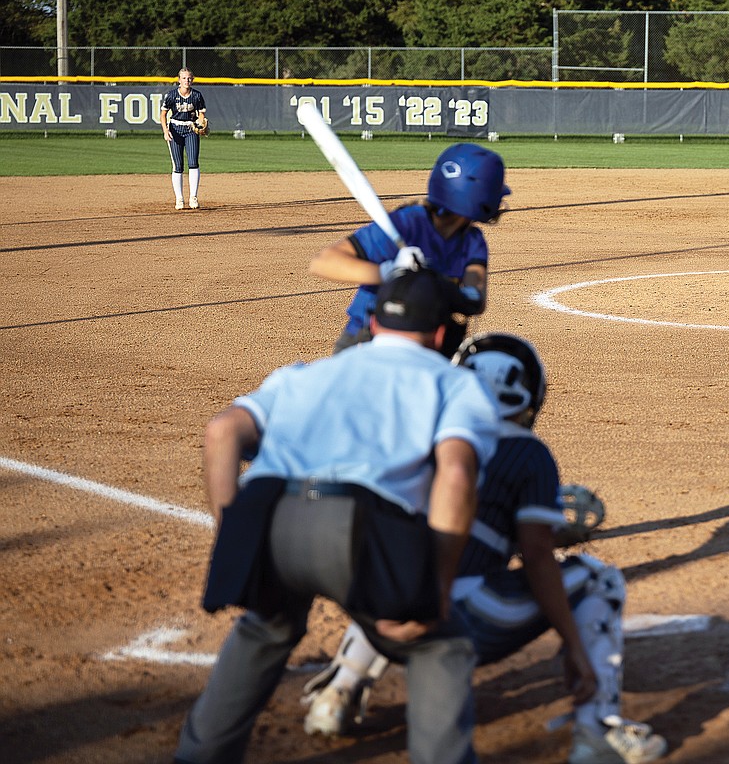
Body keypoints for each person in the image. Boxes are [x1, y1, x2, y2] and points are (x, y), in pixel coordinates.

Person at [174, 267, 502, 764]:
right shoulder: (455, 384)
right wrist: (434, 586)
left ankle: (197, 758)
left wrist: (234, 536)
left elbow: (222, 432)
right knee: (437, 644)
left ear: (373, 324)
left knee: (268, 624)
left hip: (266, 515)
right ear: (442, 333)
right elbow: (455, 477)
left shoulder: (305, 373)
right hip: (357, 526)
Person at [301, 332, 669, 764]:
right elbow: (534, 555)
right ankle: (596, 729)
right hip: (464, 623)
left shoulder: (418, 433)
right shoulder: (528, 453)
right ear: (529, 395)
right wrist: (571, 642)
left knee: (400, 563)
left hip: (377, 614)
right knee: (597, 580)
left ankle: (337, 695)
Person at [309, 142, 509, 356]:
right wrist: (391, 272)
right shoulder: (407, 224)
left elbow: (474, 300)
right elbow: (323, 263)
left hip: (428, 347)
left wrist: (428, 279)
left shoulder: (472, 241)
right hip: (368, 342)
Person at [160, 67, 207, 210]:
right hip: (175, 129)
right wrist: (165, 130)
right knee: (178, 165)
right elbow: (163, 114)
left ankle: (193, 197)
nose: (187, 80)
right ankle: (179, 199)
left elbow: (201, 114)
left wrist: (200, 123)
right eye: (184, 78)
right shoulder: (171, 95)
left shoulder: (197, 96)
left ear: (192, 79)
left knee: (193, 162)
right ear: (179, 80)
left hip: (191, 129)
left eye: (189, 78)